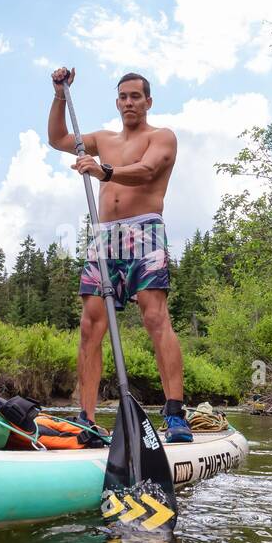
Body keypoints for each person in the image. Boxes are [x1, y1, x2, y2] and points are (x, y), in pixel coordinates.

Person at [47, 66, 192, 443]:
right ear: (117, 102)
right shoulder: (102, 138)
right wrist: (60, 95)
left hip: (144, 230)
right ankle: (87, 419)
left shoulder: (162, 136)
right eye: (124, 96)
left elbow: (146, 171)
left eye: (136, 96)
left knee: (155, 316)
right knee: (90, 325)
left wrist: (103, 171)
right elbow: (58, 138)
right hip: (104, 237)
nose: (130, 102)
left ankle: (175, 414)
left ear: (148, 101)